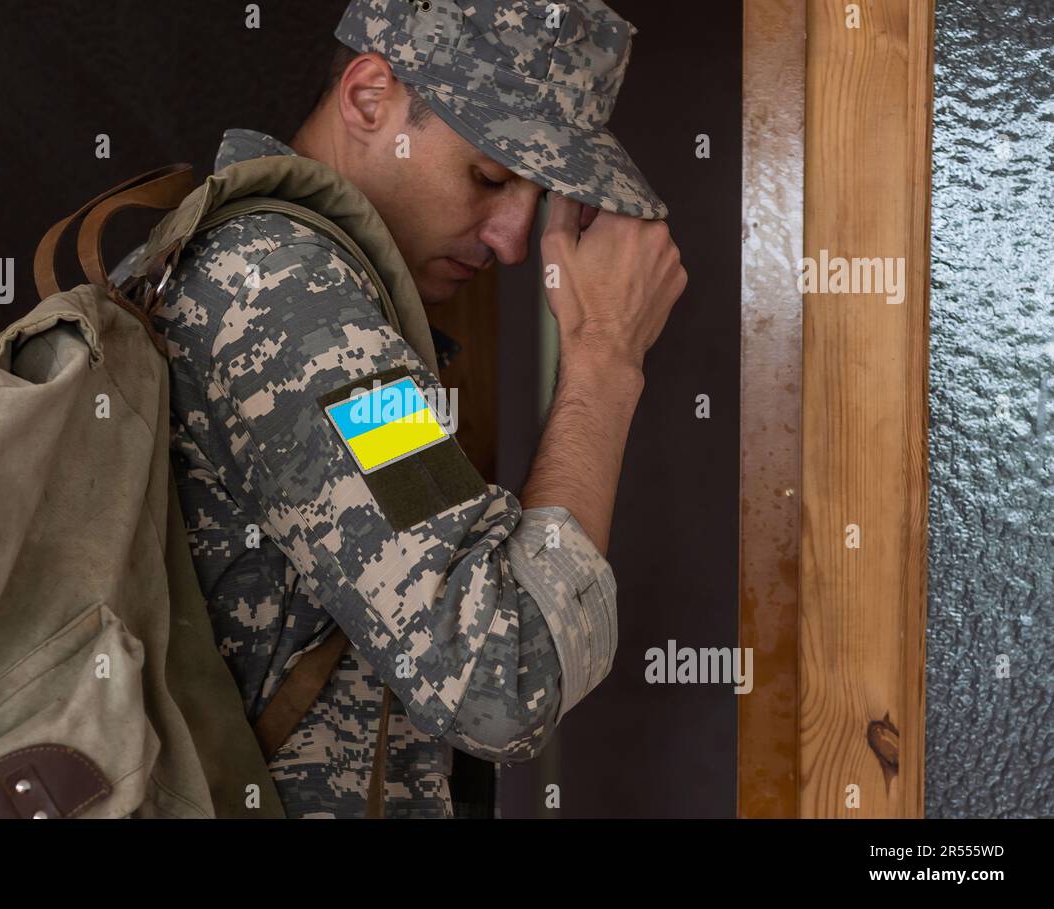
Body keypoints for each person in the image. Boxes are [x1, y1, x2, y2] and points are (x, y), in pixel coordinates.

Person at [111, 0, 686, 818]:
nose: (514, 240)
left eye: (538, 194)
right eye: (488, 177)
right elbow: (504, 676)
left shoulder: (270, 270)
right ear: (369, 98)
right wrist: (603, 357)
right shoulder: (292, 296)